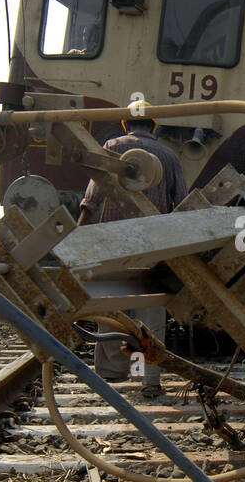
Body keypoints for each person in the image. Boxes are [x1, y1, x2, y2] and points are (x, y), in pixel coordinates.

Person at [78, 116, 187, 397]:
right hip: (154, 239)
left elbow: (93, 195)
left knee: (111, 304)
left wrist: (78, 232)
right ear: (155, 127)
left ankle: (111, 373)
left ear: (125, 124)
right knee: (151, 306)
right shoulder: (169, 156)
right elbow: (182, 202)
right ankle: (150, 380)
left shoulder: (112, 146)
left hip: (113, 239)